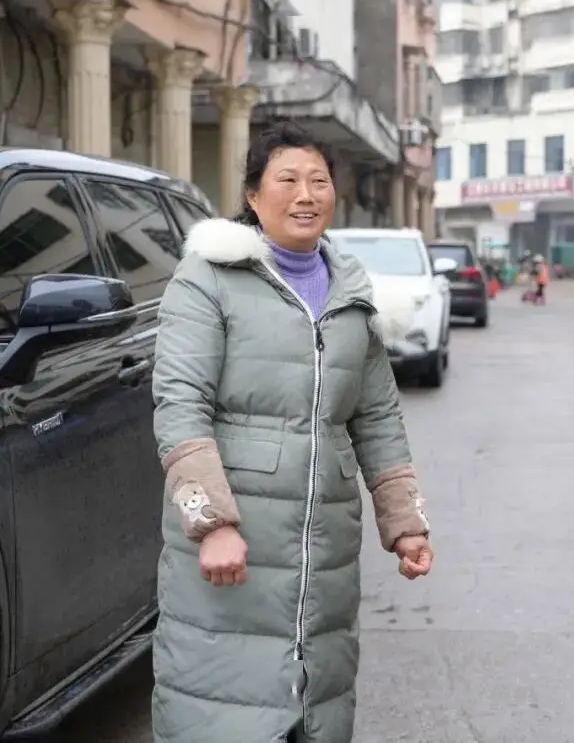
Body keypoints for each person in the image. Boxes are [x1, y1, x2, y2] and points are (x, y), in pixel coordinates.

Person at [151, 120, 434, 743]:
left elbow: (377, 416)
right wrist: (212, 522)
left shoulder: (351, 293)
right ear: (253, 195)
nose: (306, 194)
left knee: (319, 703)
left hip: (325, 544)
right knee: (222, 704)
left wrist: (405, 524)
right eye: (287, 180)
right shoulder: (207, 279)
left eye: (319, 181)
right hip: (235, 545)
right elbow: (180, 403)